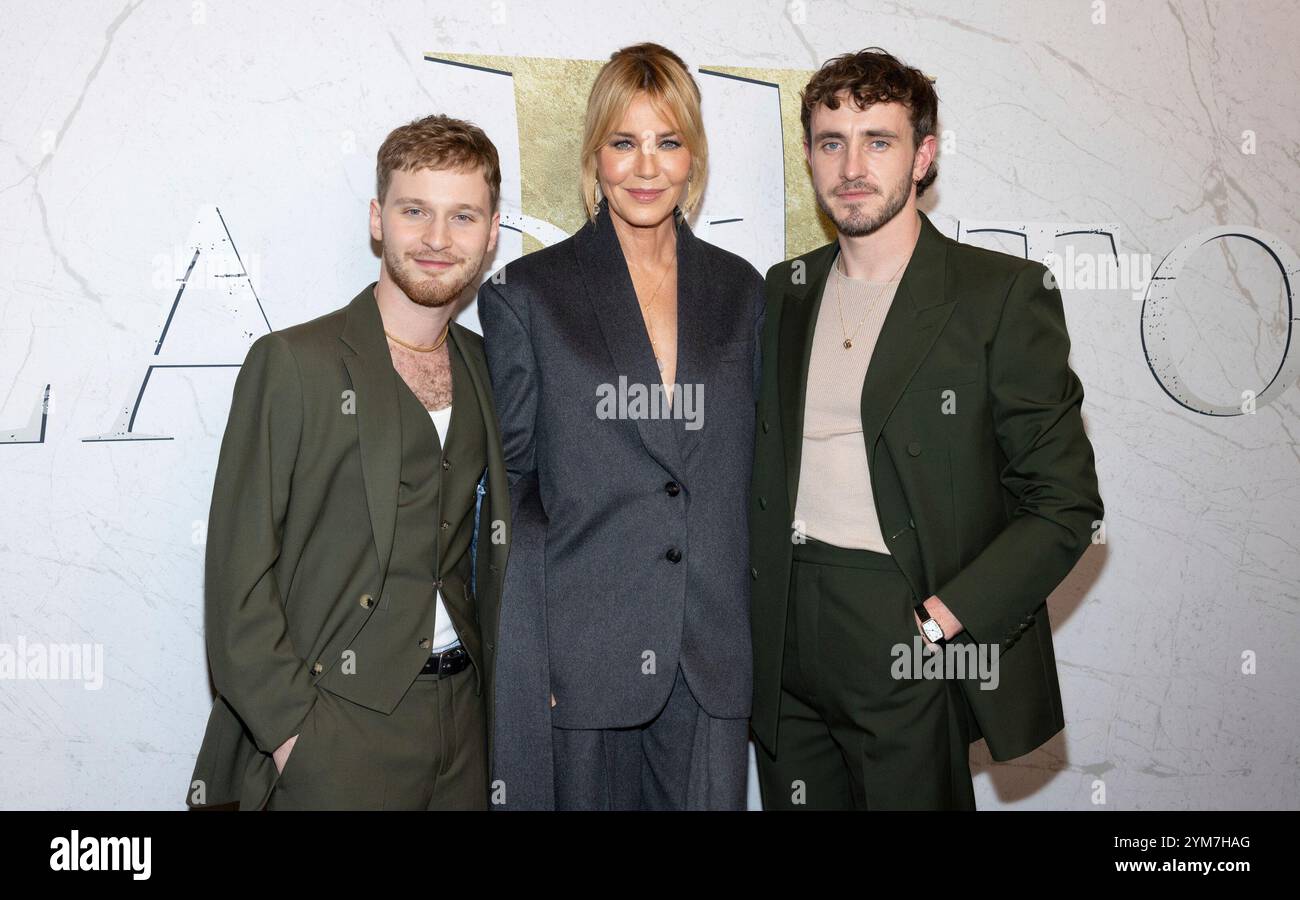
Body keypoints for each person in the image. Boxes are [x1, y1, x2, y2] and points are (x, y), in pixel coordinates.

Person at [749, 48, 1104, 809]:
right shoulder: (787, 288)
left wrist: (945, 619)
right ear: (809, 155)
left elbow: (1065, 501)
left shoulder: (997, 294)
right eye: (830, 141)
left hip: (902, 625)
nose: (852, 165)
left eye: (879, 140)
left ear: (923, 156)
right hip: (782, 626)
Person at [185, 114, 512, 810]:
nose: (435, 238)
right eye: (414, 210)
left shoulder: (491, 369)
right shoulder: (294, 364)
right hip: (337, 728)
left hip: (467, 723)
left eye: (463, 216)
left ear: (491, 233)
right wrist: (294, 735)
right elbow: (236, 580)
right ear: (377, 219)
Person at [480, 42, 764, 810]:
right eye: (624, 142)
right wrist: (527, 662)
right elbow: (512, 495)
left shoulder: (743, 293)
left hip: (711, 654)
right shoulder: (528, 296)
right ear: (595, 154)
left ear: (694, 157)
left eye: (668, 142)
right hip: (585, 655)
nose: (646, 167)